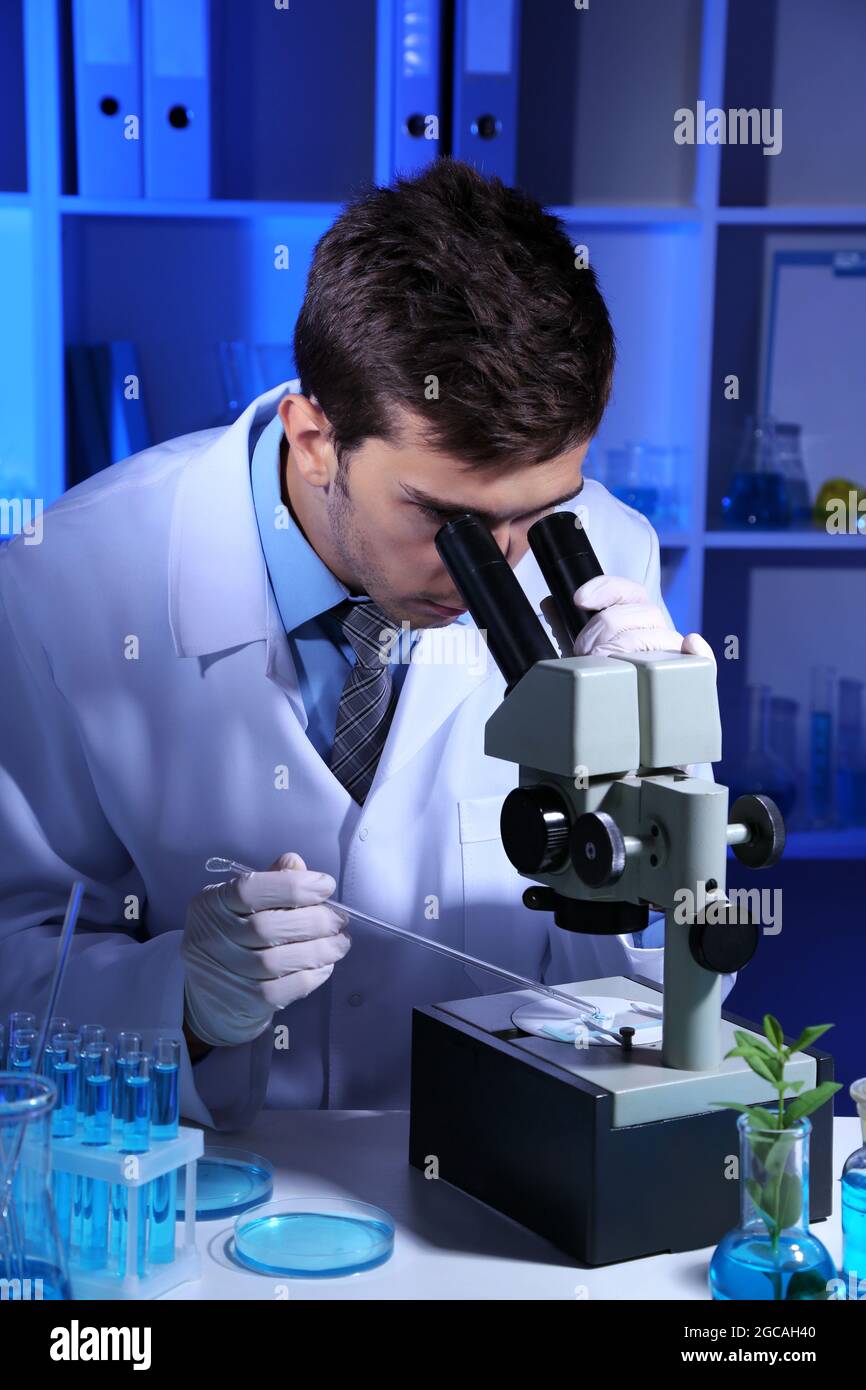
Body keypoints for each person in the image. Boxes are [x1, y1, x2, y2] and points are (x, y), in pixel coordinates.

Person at [0, 160, 721, 1129]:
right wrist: (182, 1004)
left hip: (496, 1174)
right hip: (206, 1201)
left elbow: (628, 992)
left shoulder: (609, 555)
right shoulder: (64, 585)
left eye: (538, 515)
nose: (499, 571)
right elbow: (11, 961)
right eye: (447, 520)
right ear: (312, 437)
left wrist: (661, 816)